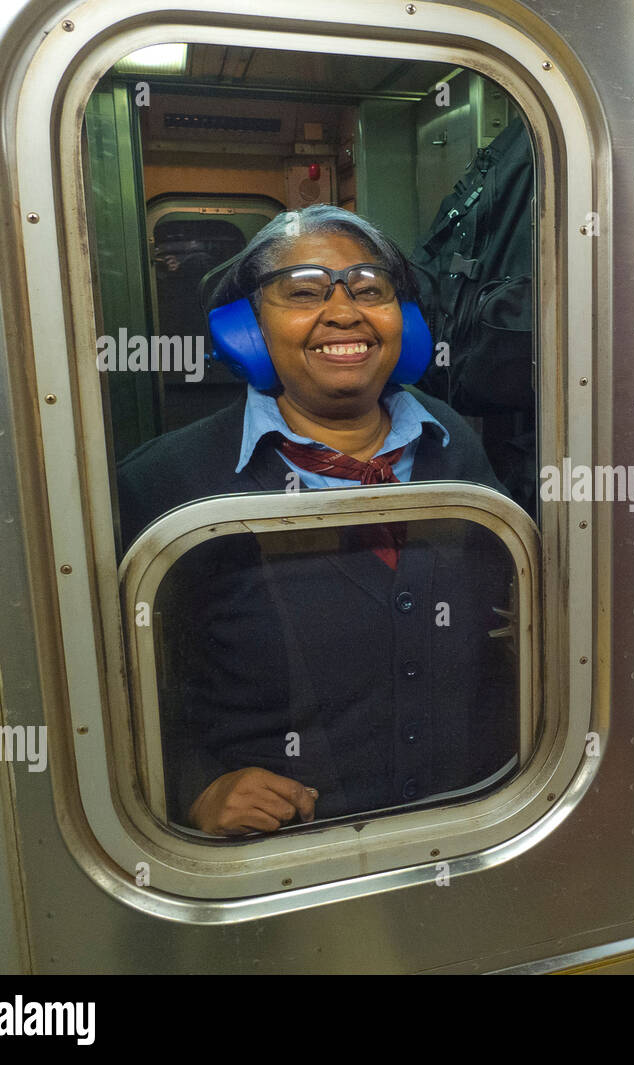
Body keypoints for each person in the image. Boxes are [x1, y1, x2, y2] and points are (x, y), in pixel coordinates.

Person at [117, 205, 517, 836]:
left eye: (370, 290)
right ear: (247, 329)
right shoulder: (164, 482)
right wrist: (193, 785)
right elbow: (114, 683)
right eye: (303, 292)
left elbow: (505, 622)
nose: (344, 312)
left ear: (404, 323)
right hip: (289, 857)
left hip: (469, 822)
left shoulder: (455, 443)